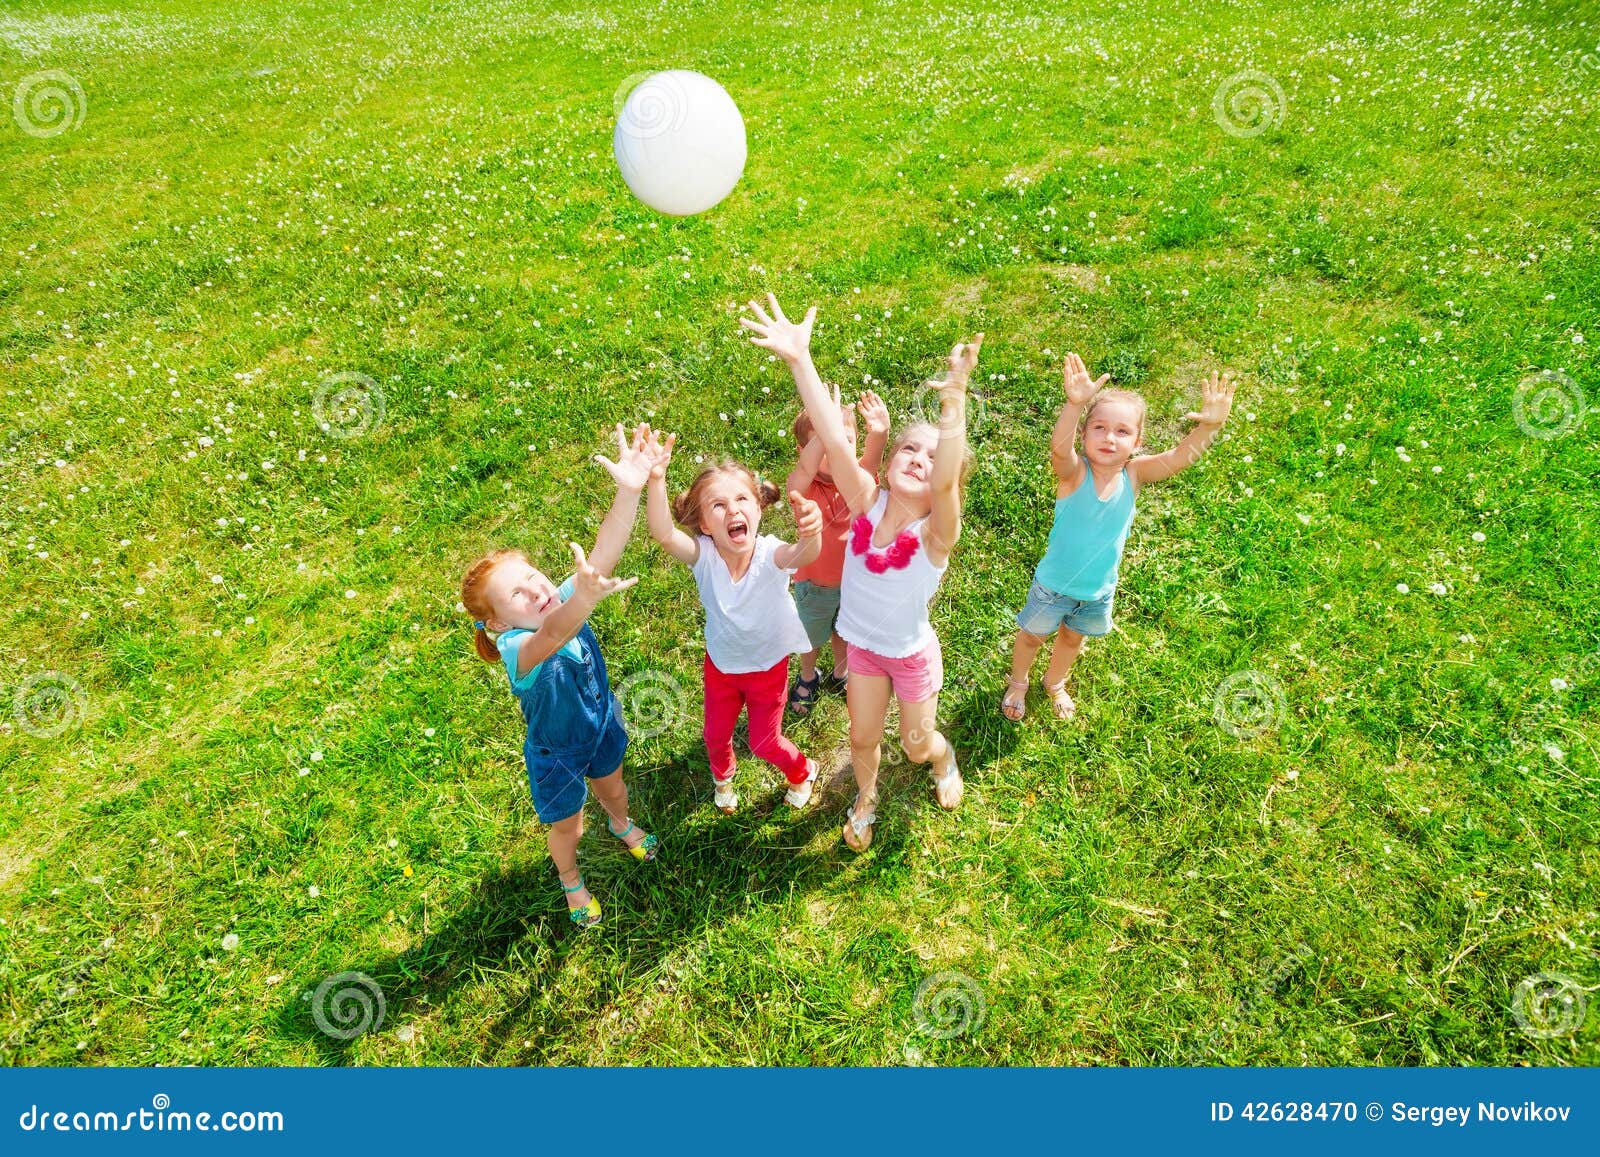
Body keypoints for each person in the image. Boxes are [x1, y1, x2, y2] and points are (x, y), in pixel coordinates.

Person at [743, 293, 979, 852]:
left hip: (910, 654)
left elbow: (944, 482)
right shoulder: (865, 501)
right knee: (862, 737)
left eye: (931, 454)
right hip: (863, 648)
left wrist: (954, 405)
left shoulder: (936, 534)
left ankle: (942, 761)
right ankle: (865, 799)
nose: (918, 458)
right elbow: (829, 428)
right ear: (890, 458)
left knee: (917, 745)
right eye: (908, 448)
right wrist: (800, 360)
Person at [459, 424, 663, 929]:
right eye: (516, 595)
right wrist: (586, 599)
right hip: (556, 754)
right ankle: (571, 879)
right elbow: (551, 635)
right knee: (566, 825)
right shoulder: (516, 647)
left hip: (600, 725)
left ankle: (620, 823)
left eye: (533, 577)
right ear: (500, 622)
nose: (535, 589)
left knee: (614, 788)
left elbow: (605, 552)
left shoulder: (565, 597)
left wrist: (628, 489)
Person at [1001, 354, 1236, 721]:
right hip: (1053, 587)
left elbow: (1177, 458)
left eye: (1123, 431)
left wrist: (1208, 428)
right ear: (1084, 433)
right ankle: (1018, 681)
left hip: (1097, 591)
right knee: (1032, 636)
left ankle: (1055, 682)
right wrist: (1074, 404)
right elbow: (1059, 449)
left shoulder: (1135, 475)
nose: (1110, 438)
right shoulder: (1074, 473)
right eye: (1099, 428)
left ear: (1138, 441)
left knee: (1072, 640)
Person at [643, 430, 826, 813]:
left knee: (763, 742)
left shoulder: (771, 554)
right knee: (714, 735)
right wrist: (656, 479)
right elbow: (662, 533)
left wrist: (813, 531)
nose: (733, 511)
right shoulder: (703, 556)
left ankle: (802, 770)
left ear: (759, 509)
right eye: (718, 506)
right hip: (722, 666)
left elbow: (803, 554)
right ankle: (723, 779)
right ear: (705, 525)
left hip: (767, 668)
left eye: (742, 499)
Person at [785, 385, 890, 716]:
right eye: (826, 442)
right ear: (805, 449)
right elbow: (803, 470)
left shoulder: (859, 480)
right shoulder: (802, 487)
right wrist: (826, 430)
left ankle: (841, 673)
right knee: (811, 638)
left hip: (855, 585)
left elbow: (872, 458)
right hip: (814, 587)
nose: (837, 447)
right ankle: (807, 675)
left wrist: (881, 432)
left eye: (844, 439)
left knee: (845, 634)